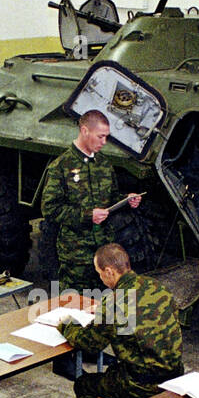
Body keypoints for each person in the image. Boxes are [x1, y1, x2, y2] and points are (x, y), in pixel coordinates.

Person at [55, 242, 183, 398]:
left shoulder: (114, 303)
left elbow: (90, 343)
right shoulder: (158, 287)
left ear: (109, 272)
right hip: (174, 375)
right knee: (112, 372)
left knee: (83, 385)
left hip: (143, 385)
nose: (100, 278)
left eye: (99, 273)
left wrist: (66, 323)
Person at [40, 110, 143, 293]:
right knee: (74, 306)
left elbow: (111, 198)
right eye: (100, 137)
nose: (104, 142)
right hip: (76, 255)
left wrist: (127, 200)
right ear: (85, 131)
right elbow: (50, 208)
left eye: (106, 137)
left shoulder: (104, 164)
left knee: (104, 305)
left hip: (104, 253)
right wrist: (88, 216)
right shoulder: (60, 167)